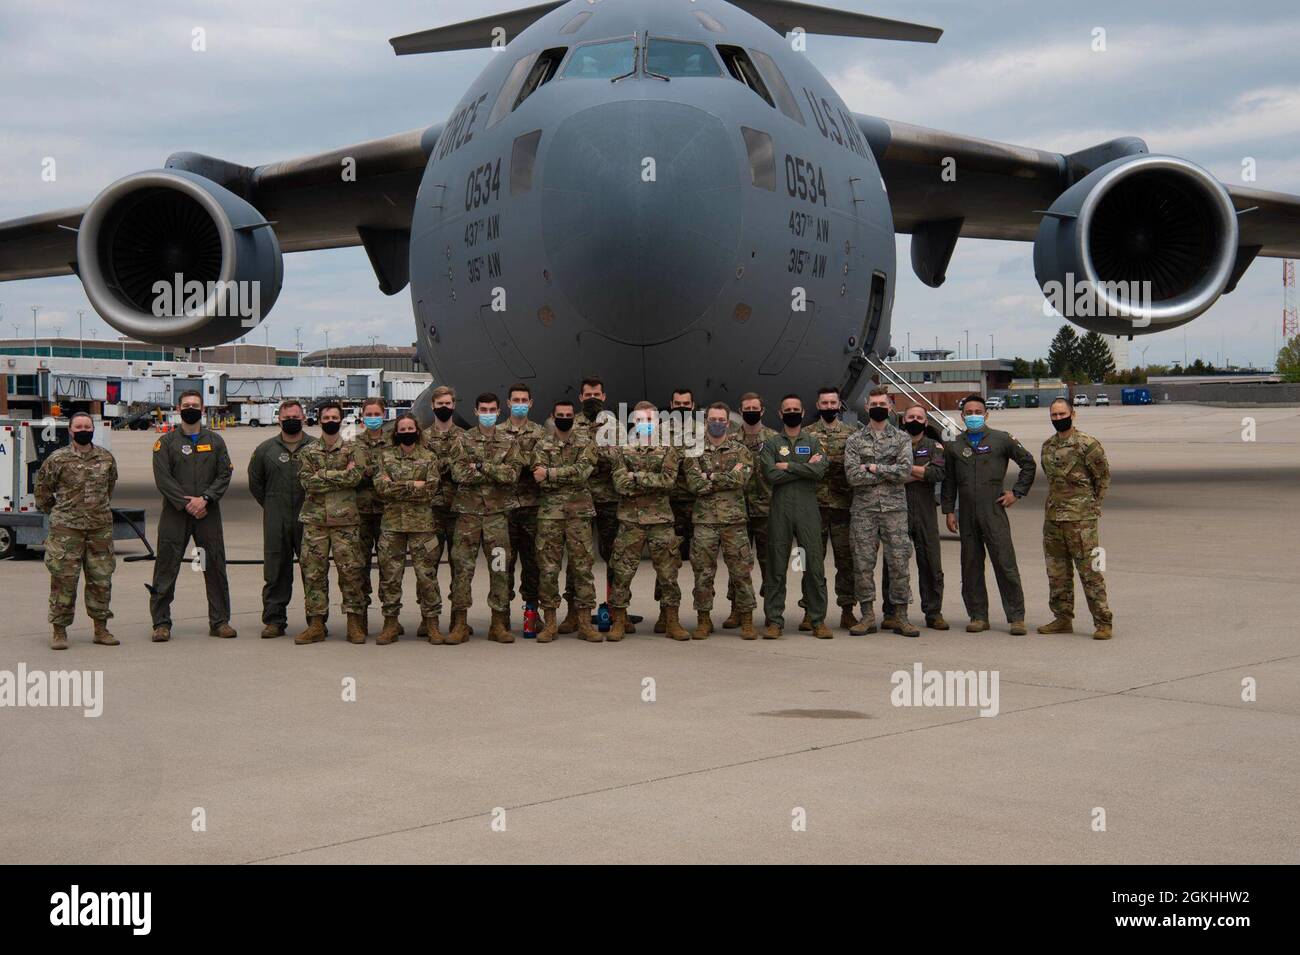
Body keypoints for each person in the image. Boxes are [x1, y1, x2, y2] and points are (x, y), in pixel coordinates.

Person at [941, 395, 1036, 634]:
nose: (973, 415)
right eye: (969, 412)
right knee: (971, 566)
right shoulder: (955, 445)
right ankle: (978, 616)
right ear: (962, 416)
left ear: (986, 414)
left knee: (1005, 564)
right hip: (967, 515)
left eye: (978, 411)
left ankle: (1016, 617)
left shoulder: (1002, 439)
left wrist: (1016, 493)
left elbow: (1028, 463)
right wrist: (949, 511)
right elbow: (949, 481)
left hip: (994, 511)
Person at [148, 390, 235, 641]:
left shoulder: (216, 441)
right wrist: (186, 503)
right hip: (176, 515)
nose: (190, 408)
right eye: (186, 405)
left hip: (207, 514)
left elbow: (224, 474)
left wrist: (206, 498)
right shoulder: (165, 443)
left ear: (203, 408)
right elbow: (162, 478)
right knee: (167, 565)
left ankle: (219, 621)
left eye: (195, 405)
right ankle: (161, 623)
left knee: (213, 565)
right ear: (178, 408)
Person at [34, 412, 119, 649]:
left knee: (101, 579)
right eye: (78, 426)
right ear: (70, 431)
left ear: (93, 429)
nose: (83, 429)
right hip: (66, 530)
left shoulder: (106, 458)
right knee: (64, 580)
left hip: (99, 529)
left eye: (87, 426)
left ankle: (101, 629)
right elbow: (42, 492)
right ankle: (59, 632)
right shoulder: (57, 459)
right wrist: (62, 513)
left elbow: (109, 487)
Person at [1037, 398, 1113, 640]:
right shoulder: (1047, 446)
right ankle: (1062, 618)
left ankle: (1103, 622)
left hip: (1081, 521)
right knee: (1056, 572)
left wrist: (1092, 507)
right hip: (1053, 519)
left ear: (1073, 414)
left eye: (1062, 414)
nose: (1059, 418)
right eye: (1055, 415)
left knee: (1091, 572)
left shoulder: (1087, 445)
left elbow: (1102, 478)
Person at [844, 387, 918, 636]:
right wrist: (888, 470)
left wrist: (873, 467)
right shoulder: (855, 440)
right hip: (864, 511)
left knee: (899, 562)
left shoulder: (901, 439)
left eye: (882, 403)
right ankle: (867, 616)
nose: (877, 407)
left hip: (894, 510)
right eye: (873, 403)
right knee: (863, 564)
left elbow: (905, 472)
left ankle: (901, 617)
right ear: (866, 407)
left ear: (890, 407)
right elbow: (853, 476)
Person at [608, 402, 684, 639]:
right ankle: (619, 621)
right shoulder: (621, 450)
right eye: (640, 421)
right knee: (622, 572)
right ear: (633, 422)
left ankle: (671, 620)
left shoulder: (668, 450)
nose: (645, 425)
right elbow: (621, 485)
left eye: (649, 421)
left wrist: (636, 477)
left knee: (668, 573)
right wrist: (650, 480)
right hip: (630, 521)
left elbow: (669, 482)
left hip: (661, 521)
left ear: (657, 422)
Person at [448, 393, 520, 643]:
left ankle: (498, 624)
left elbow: (512, 475)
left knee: (500, 569)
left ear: (499, 411)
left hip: (497, 518)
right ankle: (459, 624)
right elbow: (457, 473)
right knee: (462, 570)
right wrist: (494, 473)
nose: (487, 413)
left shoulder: (509, 441)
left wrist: (479, 467)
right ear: (476, 412)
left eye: (492, 409)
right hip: (468, 517)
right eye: (483, 409)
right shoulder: (463, 440)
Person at [296, 402, 367, 645]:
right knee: (313, 573)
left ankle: (354, 624)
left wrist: (322, 474)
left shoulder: (352, 449)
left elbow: (356, 478)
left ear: (341, 419)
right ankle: (316, 624)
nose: (330, 420)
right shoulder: (308, 450)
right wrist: (339, 476)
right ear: (319, 419)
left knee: (350, 572)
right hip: (315, 521)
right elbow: (306, 482)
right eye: (325, 417)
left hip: (345, 522)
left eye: (334, 416)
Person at [760, 395, 830, 639]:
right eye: (787, 409)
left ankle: (817, 619)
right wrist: (803, 468)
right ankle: (774, 621)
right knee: (776, 567)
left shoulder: (812, 442)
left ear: (802, 413)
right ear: (780, 414)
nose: (791, 412)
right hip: (781, 509)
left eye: (795, 409)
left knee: (813, 566)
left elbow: (820, 470)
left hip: (807, 509)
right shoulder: (771, 444)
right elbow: (770, 475)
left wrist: (787, 466)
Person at [531, 399, 601, 642]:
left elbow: (583, 473)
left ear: (574, 416)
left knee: (582, 569)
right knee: (548, 570)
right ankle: (550, 623)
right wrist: (559, 475)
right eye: (560, 414)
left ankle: (584, 622)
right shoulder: (542, 444)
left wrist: (551, 473)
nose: (564, 417)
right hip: (550, 515)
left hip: (578, 515)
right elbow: (537, 477)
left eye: (568, 414)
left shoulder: (586, 443)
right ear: (552, 416)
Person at [685, 402, 756, 638]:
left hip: (734, 521)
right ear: (706, 421)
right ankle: (704, 620)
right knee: (703, 572)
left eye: (721, 420)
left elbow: (742, 479)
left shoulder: (740, 450)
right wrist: (727, 476)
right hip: (705, 521)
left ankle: (746, 619)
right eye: (713, 419)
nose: (717, 423)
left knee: (741, 572)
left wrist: (711, 476)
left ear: (728, 422)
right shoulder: (694, 450)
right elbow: (695, 484)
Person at [247, 399, 315, 638]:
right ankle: (274, 620)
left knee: (313, 572)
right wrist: (272, 505)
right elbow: (256, 483)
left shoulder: (315, 447)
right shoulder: (266, 450)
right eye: (287, 418)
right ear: (279, 419)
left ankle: (316, 620)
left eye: (296, 417)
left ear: (304, 418)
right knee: (275, 571)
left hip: (309, 519)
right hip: (276, 519)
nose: (292, 421)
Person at [373, 414, 441, 644]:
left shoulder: (429, 457)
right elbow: (381, 488)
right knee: (390, 576)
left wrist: (397, 486)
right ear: (396, 432)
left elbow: (431, 489)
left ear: (417, 430)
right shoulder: (386, 457)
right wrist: (414, 485)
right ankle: (391, 624)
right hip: (392, 525)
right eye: (402, 428)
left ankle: (431, 623)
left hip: (422, 526)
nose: (407, 431)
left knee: (427, 575)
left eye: (410, 427)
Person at [881, 403, 948, 630]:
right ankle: (890, 612)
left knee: (930, 561)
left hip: (924, 509)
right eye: (911, 416)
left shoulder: (934, 446)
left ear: (926, 422)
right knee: (893, 563)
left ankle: (933, 611)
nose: (915, 420)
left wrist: (903, 469)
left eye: (919, 417)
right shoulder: (891, 445)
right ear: (903, 420)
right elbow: (886, 473)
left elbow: (937, 473)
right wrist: (920, 470)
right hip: (896, 508)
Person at [567, 375, 620, 630]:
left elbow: (619, 456)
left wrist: (588, 458)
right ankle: (573, 612)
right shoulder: (571, 424)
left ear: (604, 397)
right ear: (580, 398)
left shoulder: (613, 424)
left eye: (596, 395)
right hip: (579, 499)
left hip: (608, 499)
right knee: (578, 557)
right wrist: (598, 455)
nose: (592, 399)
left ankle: (616, 609)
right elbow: (567, 458)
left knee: (613, 555)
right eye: (588, 395)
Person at [805, 386, 859, 630]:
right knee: (812, 562)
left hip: (842, 507)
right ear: (817, 405)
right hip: (813, 508)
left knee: (845, 561)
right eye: (824, 403)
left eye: (832, 403)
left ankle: (847, 609)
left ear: (839, 405)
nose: (828, 407)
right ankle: (810, 610)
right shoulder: (806, 435)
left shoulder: (852, 434)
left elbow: (856, 466)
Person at [723, 391, 777, 628]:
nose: (751, 412)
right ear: (741, 410)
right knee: (737, 563)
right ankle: (737, 608)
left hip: (767, 511)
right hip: (737, 511)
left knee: (769, 563)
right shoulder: (730, 439)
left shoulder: (775, 440)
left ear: (762, 411)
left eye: (755, 408)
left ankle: (771, 609)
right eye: (747, 408)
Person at [499, 382, 547, 623]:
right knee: (502, 563)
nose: (519, 404)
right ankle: (502, 614)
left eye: (523, 400)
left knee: (532, 562)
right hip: (503, 508)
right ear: (508, 403)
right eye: (515, 400)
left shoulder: (540, 433)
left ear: (530, 403)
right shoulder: (497, 433)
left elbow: (542, 465)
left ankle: (532, 610)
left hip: (531, 507)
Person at [420, 385, 463, 637]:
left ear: (454, 405)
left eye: (448, 403)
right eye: (440, 404)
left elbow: (463, 470)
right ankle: (428, 618)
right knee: (428, 567)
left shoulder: (465, 437)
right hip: (432, 513)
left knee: (461, 568)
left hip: (459, 511)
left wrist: (436, 467)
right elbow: (422, 469)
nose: (444, 407)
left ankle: (459, 620)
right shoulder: (423, 438)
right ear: (433, 407)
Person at [655, 386, 697, 632]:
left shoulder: (701, 432)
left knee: (703, 562)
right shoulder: (660, 432)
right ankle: (665, 614)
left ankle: (705, 614)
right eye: (677, 404)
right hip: (668, 504)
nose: (681, 408)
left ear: (692, 406)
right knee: (666, 561)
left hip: (697, 503)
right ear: (671, 405)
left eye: (686, 404)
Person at [354, 397, 390, 621]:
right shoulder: (353, 444)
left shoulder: (392, 442)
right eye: (370, 414)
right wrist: (372, 473)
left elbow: (397, 473)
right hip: (362, 513)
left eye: (377, 414)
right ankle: (360, 618)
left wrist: (367, 472)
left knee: (389, 567)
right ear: (362, 416)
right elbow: (352, 475)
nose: (374, 418)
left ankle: (390, 618)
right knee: (359, 565)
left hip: (388, 513)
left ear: (384, 415)